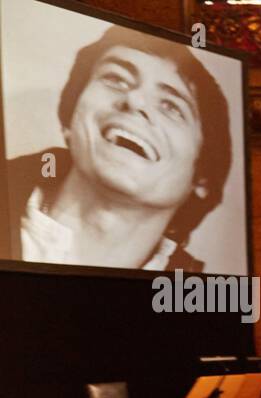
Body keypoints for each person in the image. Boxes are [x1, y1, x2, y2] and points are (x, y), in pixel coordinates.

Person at [3, 25, 231, 271]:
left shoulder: (199, 303)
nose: (134, 101)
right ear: (70, 118)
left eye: (172, 106)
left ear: (203, 177)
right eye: (115, 79)